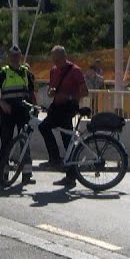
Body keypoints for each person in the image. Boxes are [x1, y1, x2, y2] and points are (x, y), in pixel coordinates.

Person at [39, 45, 89, 188]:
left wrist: (67, 96)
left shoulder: (75, 71)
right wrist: (51, 92)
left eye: (58, 60)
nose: (56, 63)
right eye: (54, 60)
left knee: (60, 135)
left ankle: (59, 163)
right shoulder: (53, 71)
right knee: (47, 128)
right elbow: (50, 90)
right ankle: (62, 167)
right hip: (56, 106)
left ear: (64, 57)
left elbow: (84, 92)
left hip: (69, 107)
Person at [0, 45, 36, 187]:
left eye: (17, 56)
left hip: (23, 111)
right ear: (9, 57)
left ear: (20, 57)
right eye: (12, 56)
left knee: (25, 142)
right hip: (7, 112)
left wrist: (35, 107)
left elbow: (31, 93)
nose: (15, 59)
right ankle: (3, 175)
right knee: (6, 142)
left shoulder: (25, 72)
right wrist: (2, 103)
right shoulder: (4, 72)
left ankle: (27, 174)